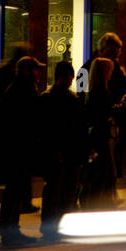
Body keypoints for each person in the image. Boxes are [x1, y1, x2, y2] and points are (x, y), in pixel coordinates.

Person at [0, 56, 45, 246]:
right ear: (26, 71)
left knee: (15, 191)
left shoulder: (17, 89)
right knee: (14, 191)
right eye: (35, 69)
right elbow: (29, 120)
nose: (38, 73)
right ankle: (10, 232)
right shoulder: (23, 90)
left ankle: (11, 230)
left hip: (17, 148)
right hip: (18, 149)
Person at [38, 61, 87, 239]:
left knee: (60, 191)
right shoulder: (65, 99)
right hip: (63, 151)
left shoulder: (50, 98)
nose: (69, 79)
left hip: (65, 151)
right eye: (67, 76)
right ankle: (54, 227)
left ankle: (53, 227)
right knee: (59, 191)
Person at [82, 57, 119, 207]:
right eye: (109, 70)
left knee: (101, 171)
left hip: (98, 135)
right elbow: (104, 113)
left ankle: (98, 200)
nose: (111, 74)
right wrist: (122, 105)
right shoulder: (101, 92)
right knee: (106, 171)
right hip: (102, 136)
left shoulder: (94, 91)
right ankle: (102, 201)